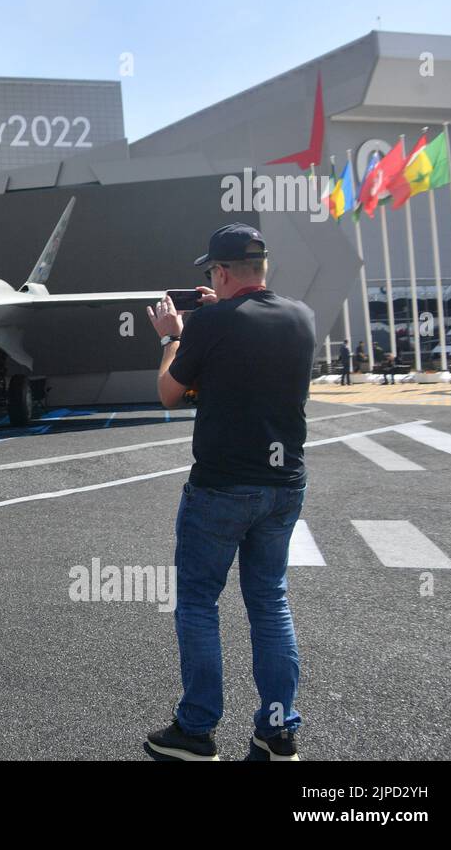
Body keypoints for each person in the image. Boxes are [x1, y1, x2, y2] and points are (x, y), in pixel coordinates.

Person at [144, 223, 316, 762]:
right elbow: (247, 346)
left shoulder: (210, 322)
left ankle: (196, 730)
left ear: (219, 272)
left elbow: (170, 392)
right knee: (269, 602)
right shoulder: (301, 317)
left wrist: (173, 337)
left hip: (221, 485)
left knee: (198, 602)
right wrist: (214, 312)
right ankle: (277, 729)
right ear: (262, 265)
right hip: (284, 483)